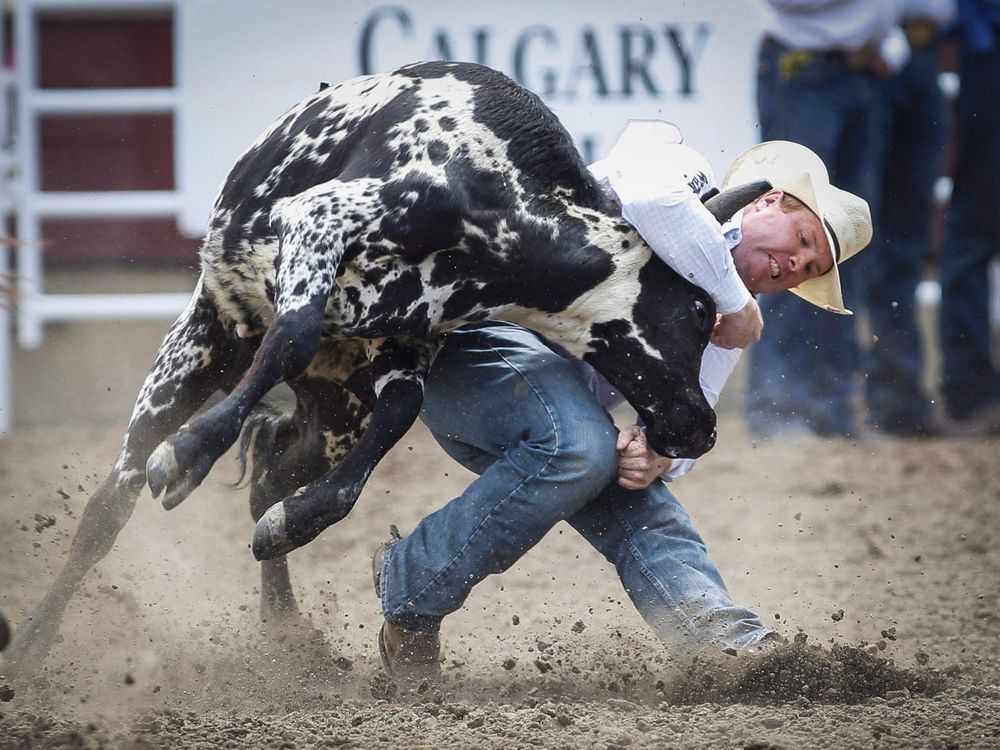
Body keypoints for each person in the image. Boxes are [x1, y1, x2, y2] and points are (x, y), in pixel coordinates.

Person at [371, 122, 874, 682]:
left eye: (811, 269)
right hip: (472, 333)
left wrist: (659, 453)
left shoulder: (735, 315)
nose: (796, 265)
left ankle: (731, 652)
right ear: (771, 201)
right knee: (580, 448)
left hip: (541, 384)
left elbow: (692, 417)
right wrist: (732, 303)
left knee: (639, 494)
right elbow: (653, 200)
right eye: (803, 241)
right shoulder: (683, 170)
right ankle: (411, 585)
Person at [744, 0, 911, 438]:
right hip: (807, 65)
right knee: (789, 243)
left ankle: (832, 407)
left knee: (841, 245)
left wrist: (891, 42)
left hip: (856, 68)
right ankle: (781, 406)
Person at [865, 0, 956, 436]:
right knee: (826, 237)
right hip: (858, 52)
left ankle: (897, 402)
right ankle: (816, 405)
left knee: (904, 243)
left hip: (921, 50)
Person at [937, 0, 1000, 430]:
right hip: (990, 52)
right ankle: (970, 392)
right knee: (975, 227)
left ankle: (971, 391)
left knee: (974, 230)